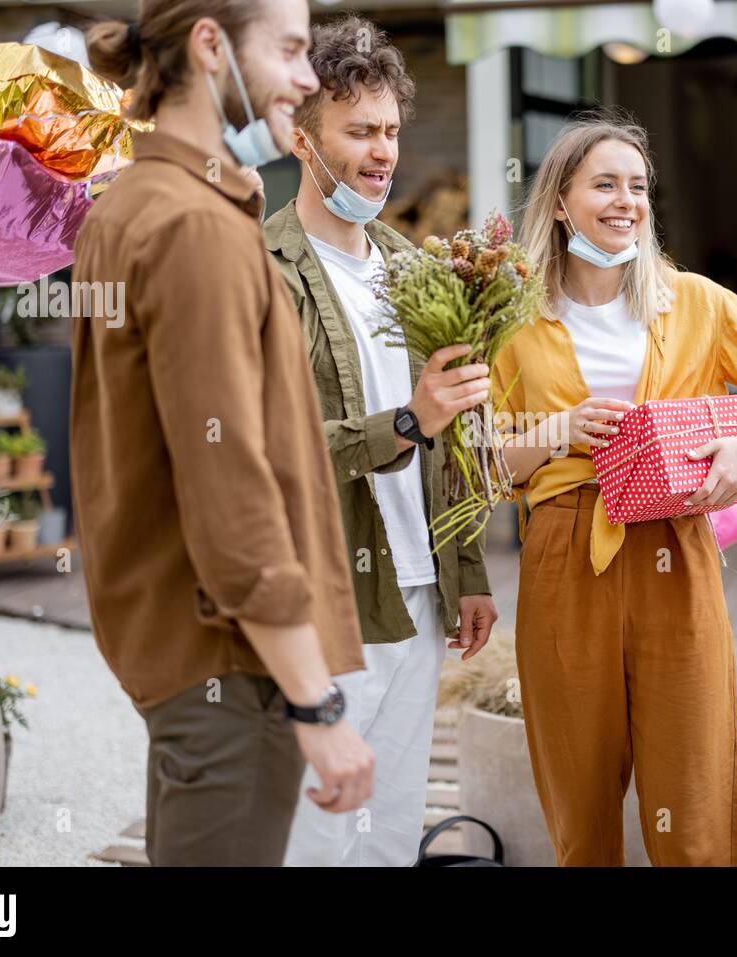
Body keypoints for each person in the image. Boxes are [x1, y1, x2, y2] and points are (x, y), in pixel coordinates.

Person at [490, 112, 737, 865]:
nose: (627, 201)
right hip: (563, 555)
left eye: (639, 186)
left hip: (675, 553)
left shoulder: (696, 303)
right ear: (558, 201)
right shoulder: (513, 319)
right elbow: (479, 462)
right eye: (605, 184)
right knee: (581, 814)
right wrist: (558, 431)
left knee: (695, 803)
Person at [74, 0, 373, 866]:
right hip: (231, 666)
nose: (308, 78)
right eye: (288, 50)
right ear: (210, 46)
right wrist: (316, 705)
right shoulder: (196, 227)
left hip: (192, 659)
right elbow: (228, 485)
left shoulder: (139, 202)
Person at [266, 15, 497, 867]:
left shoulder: (416, 268)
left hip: (418, 591)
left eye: (391, 130)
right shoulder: (267, 271)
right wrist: (406, 421)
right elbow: (273, 445)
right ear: (302, 137)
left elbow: (457, 432)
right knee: (317, 830)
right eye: (358, 130)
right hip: (329, 601)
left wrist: (467, 572)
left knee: (392, 828)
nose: (382, 150)